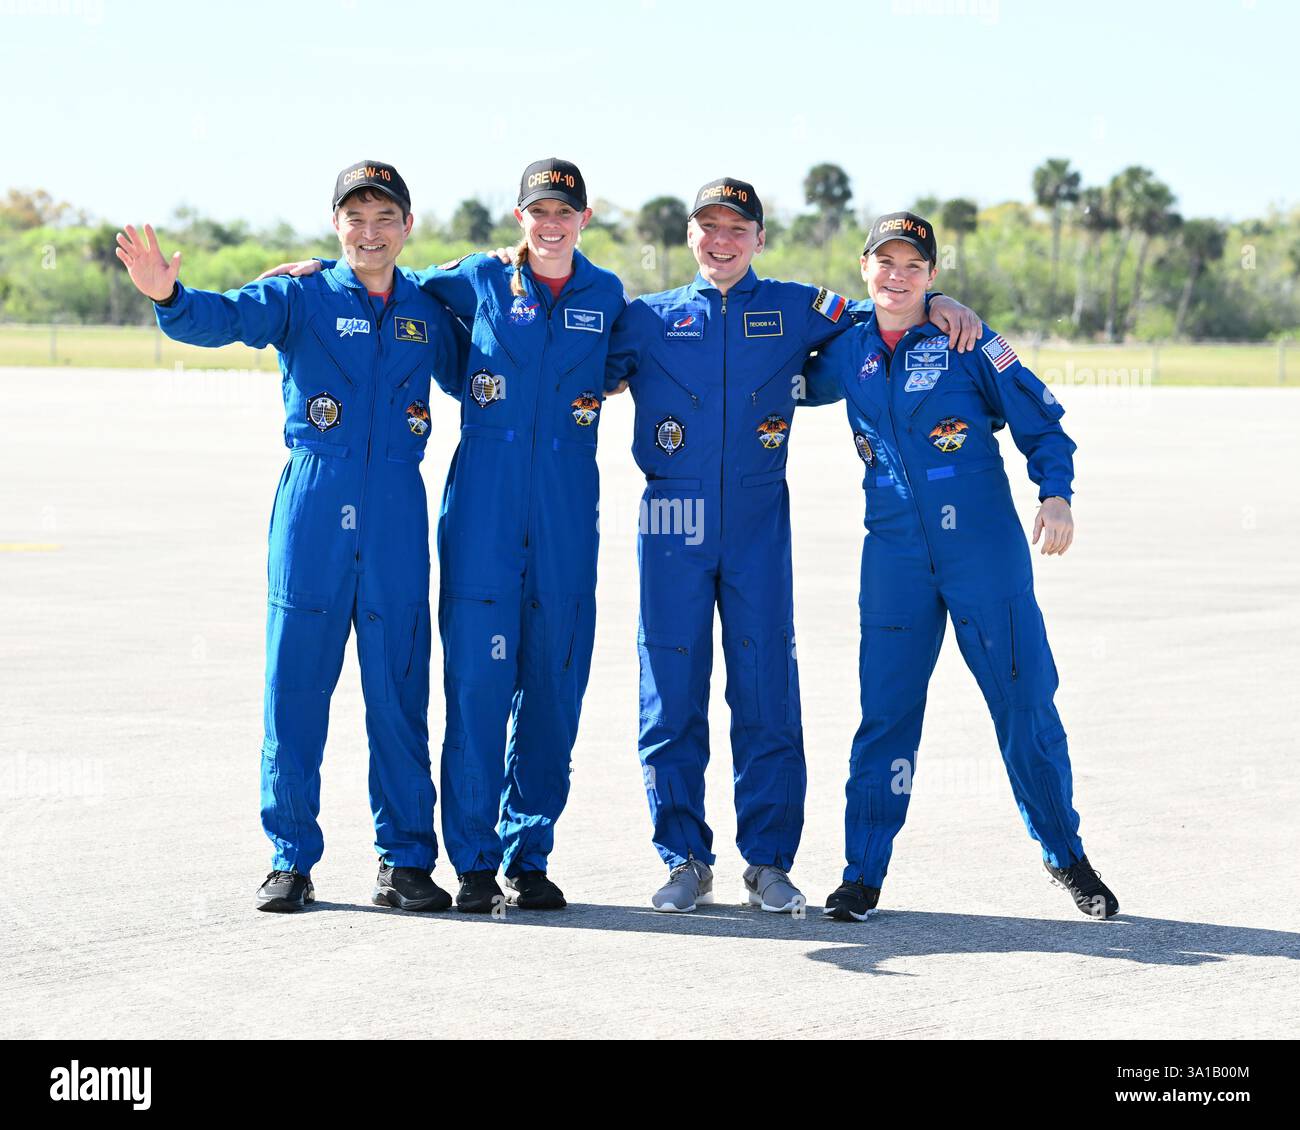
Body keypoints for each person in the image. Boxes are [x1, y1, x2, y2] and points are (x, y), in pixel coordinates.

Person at [603, 179, 983, 913]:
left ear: (759, 239)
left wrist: (938, 303)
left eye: (736, 229)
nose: (722, 241)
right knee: (669, 692)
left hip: (757, 523)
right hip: (669, 521)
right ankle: (684, 856)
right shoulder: (645, 318)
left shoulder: (795, 307)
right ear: (690, 236)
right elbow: (571, 357)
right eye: (708, 227)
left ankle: (768, 861)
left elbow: (880, 313)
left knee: (767, 689)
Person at [261, 159, 626, 912]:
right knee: (473, 683)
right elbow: (390, 281)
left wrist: (935, 302)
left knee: (555, 681)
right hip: (482, 512)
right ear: (520, 217)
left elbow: (666, 348)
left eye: (565, 211)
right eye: (538, 211)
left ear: (583, 219)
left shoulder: (609, 296)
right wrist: (317, 275)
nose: (551, 223)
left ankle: (529, 855)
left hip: (564, 515)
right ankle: (471, 860)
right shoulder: (472, 281)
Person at [115, 161, 463, 913]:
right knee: (295, 687)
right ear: (336, 224)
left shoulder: (427, 308)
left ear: (407, 226)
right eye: (354, 219)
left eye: (384, 219)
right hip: (315, 503)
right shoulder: (299, 295)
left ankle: (404, 861)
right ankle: (290, 858)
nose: (368, 234)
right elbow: (226, 318)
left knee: (399, 689)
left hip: (398, 508)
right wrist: (168, 296)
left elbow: (481, 366)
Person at [805, 210, 1119, 922]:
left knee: (1024, 704)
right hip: (892, 557)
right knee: (884, 718)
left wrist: (1057, 495)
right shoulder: (845, 348)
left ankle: (1066, 855)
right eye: (885, 263)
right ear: (865, 268)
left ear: (934, 275)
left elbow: (1043, 420)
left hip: (983, 552)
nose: (898, 276)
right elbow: (781, 370)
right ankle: (862, 875)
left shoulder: (968, 340)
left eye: (914, 267)